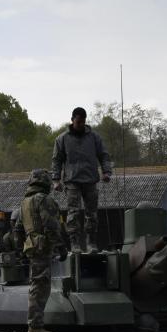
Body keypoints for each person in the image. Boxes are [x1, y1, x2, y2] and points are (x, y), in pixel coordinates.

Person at [52, 107, 113, 253]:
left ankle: (91, 242)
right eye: (78, 122)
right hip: (72, 180)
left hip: (90, 179)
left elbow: (104, 155)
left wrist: (106, 172)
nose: (80, 125)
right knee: (73, 212)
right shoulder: (62, 139)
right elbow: (57, 160)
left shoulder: (94, 137)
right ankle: (74, 243)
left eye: (83, 122)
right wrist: (55, 180)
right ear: (72, 120)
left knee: (91, 213)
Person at [20, 169, 67, 332]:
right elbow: (51, 225)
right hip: (43, 247)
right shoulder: (44, 200)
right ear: (46, 183)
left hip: (32, 247)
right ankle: (35, 328)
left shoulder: (24, 203)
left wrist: (24, 247)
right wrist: (61, 246)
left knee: (36, 286)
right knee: (40, 288)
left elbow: (18, 229)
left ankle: (35, 326)